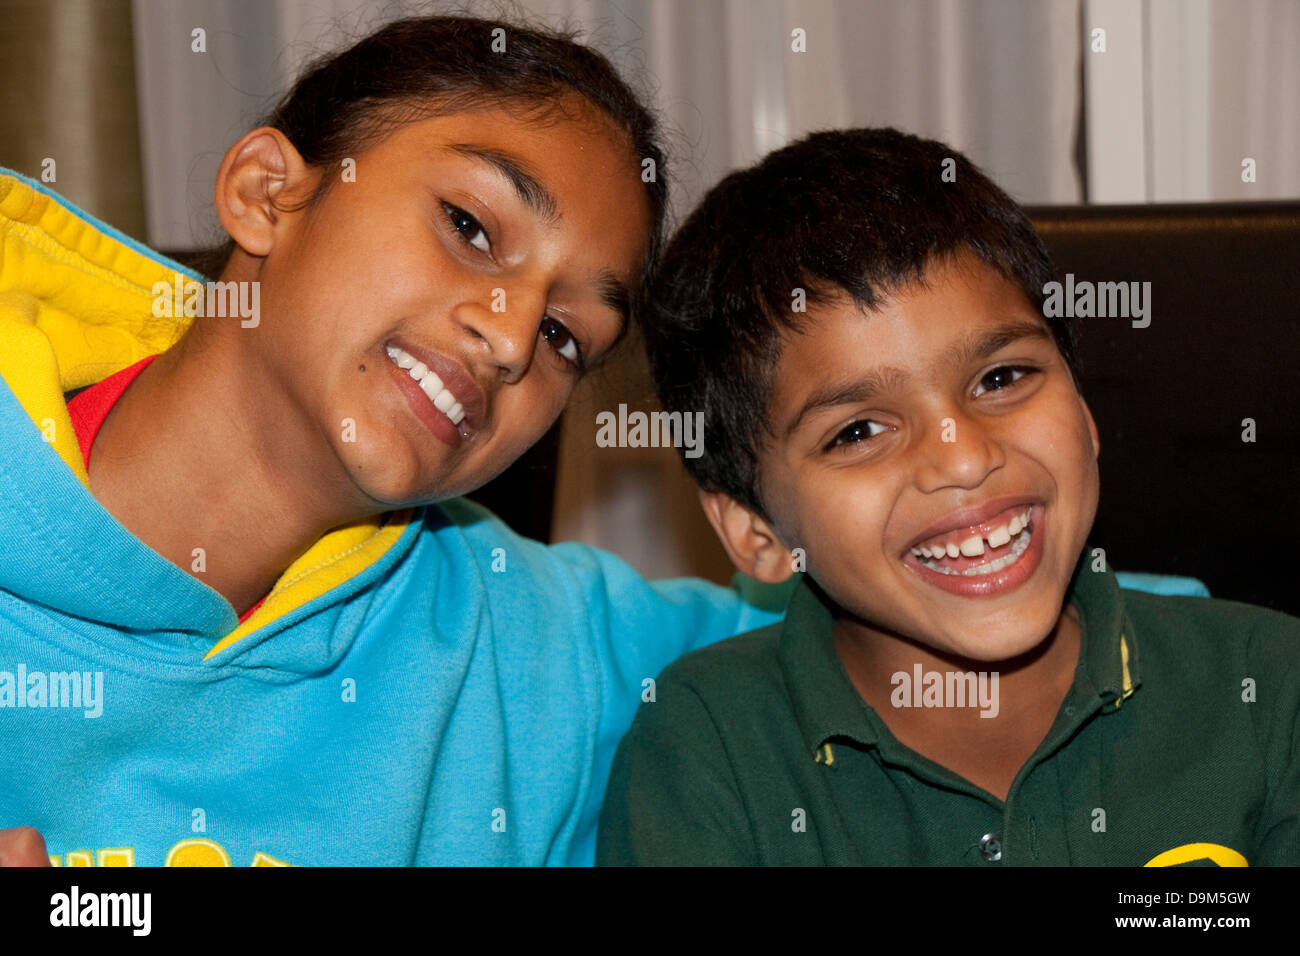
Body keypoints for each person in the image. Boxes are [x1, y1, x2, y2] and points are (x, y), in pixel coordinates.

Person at [0, 14, 790, 867]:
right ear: (268, 195)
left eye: (568, 336)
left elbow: (844, 635)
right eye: (471, 228)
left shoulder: (528, 648)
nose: (515, 337)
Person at [597, 127, 1299, 866]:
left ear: (1085, 409)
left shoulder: (1268, 686)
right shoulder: (706, 747)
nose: (964, 458)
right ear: (755, 531)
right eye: (859, 430)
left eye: (1001, 379)